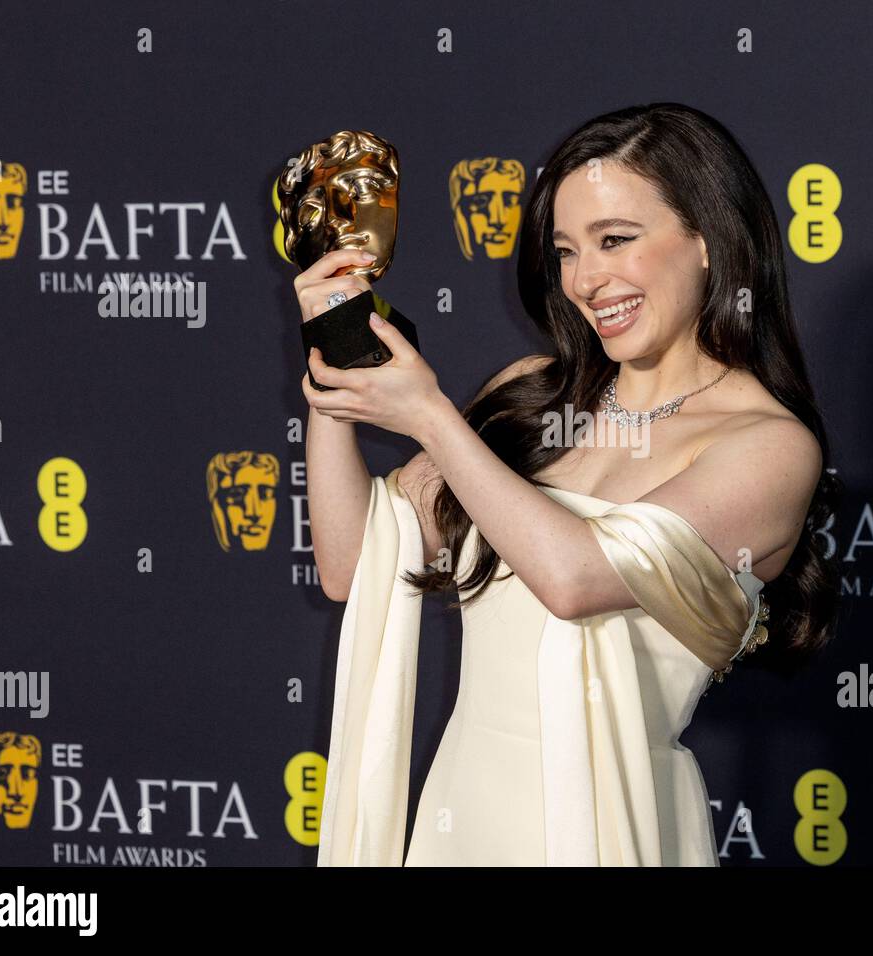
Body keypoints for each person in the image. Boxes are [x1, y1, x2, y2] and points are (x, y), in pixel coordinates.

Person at [301, 103, 842, 866]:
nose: (586, 280)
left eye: (615, 241)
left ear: (709, 242)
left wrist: (428, 416)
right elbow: (351, 567)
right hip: (464, 814)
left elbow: (578, 575)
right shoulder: (534, 396)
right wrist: (336, 365)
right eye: (564, 252)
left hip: (611, 830)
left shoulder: (769, 448)